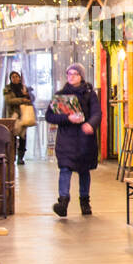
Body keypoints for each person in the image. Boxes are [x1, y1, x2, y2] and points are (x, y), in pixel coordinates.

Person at [45, 63, 101, 217]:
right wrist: (67, 118)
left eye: (75, 73)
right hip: (66, 140)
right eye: (69, 73)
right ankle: (63, 202)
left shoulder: (89, 94)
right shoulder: (61, 95)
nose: (71, 76)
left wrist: (90, 124)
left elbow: (97, 113)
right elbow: (49, 116)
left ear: (81, 76)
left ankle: (85, 201)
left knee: (84, 171)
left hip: (84, 140)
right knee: (65, 169)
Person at [2, 71, 34, 163]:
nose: (15, 78)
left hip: (24, 115)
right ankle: (12, 156)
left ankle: (21, 157)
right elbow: (8, 100)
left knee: (23, 136)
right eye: (13, 77)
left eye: (17, 76)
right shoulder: (7, 89)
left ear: (20, 78)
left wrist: (27, 95)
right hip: (13, 115)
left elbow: (32, 99)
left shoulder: (23, 88)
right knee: (13, 136)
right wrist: (21, 100)